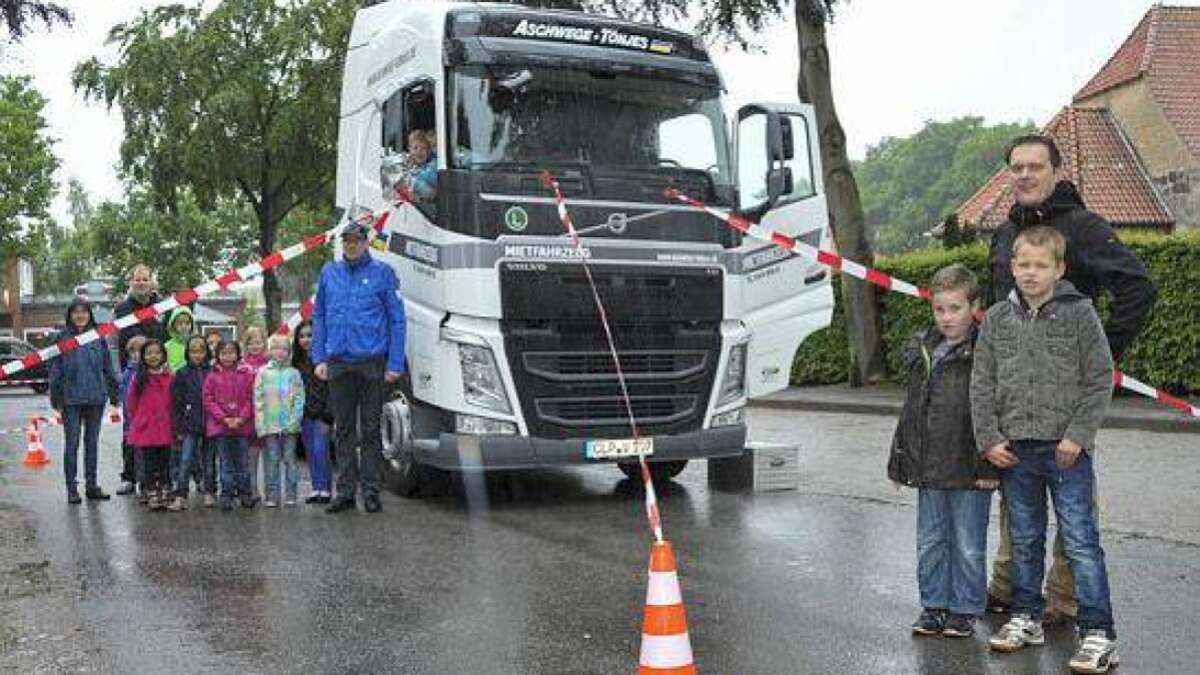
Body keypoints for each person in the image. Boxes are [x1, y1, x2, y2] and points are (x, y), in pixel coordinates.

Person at [985, 135, 1157, 624]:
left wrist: (1099, 354)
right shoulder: (1004, 235)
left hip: (1067, 398)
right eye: (1016, 166)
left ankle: (1064, 597)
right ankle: (1009, 587)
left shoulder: (1083, 228)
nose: (1024, 174)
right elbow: (999, 310)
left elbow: (1138, 289)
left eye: (1034, 166)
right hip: (1013, 393)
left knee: (1073, 502)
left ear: (1055, 171)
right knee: (1015, 495)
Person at [973, 226, 1118, 673]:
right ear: (1013, 267)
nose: (1031, 273)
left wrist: (1078, 435)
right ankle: (1025, 616)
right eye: (1024, 265)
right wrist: (990, 439)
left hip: (1066, 451)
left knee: (1080, 541)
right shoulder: (997, 318)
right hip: (1016, 451)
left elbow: (1099, 379)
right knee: (1024, 539)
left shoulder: (1080, 315)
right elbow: (982, 383)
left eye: (1041, 265)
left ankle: (1098, 633)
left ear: (1060, 269)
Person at [888, 264, 998, 639]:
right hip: (929, 468)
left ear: (974, 307)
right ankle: (934, 606)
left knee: (968, 543)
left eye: (955, 308)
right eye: (940, 309)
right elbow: (912, 410)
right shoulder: (922, 349)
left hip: (970, 468)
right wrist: (900, 460)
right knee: (931, 540)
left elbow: (992, 412)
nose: (947, 317)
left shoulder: (985, 349)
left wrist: (988, 465)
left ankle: (965, 609)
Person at [312, 220, 407, 514]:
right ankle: (345, 492)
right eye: (347, 241)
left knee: (369, 429)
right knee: (342, 430)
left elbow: (397, 320)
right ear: (343, 244)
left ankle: (371, 491)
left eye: (356, 240)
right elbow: (319, 317)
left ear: (366, 242)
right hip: (339, 363)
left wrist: (394, 362)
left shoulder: (383, 274)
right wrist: (319, 358)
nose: (351, 245)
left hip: (372, 363)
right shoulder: (329, 273)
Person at [48, 297, 120, 504]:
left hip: (96, 398)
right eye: (76, 312)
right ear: (70, 315)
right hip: (71, 400)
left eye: (84, 311)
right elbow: (54, 369)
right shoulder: (61, 338)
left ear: (90, 314)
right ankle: (72, 488)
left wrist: (114, 393)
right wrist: (56, 398)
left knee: (92, 444)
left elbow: (107, 366)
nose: (81, 315)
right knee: (72, 445)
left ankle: (91, 485)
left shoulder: (98, 337)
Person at [204, 340, 257, 511]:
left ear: (238, 354)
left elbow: (251, 398)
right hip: (221, 427)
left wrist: (241, 418)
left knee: (243, 462)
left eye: (231, 352)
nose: (228, 357)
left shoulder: (246, 374)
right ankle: (226, 494)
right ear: (217, 355)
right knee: (225, 463)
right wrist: (224, 418)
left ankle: (244, 493)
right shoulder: (212, 375)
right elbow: (208, 400)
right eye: (224, 353)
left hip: (242, 427)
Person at [254, 334, 305, 507]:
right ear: (270, 351)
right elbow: (258, 400)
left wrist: (295, 419)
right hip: (270, 425)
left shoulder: (294, 373)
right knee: (272, 460)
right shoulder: (263, 372)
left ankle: (291, 494)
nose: (280, 352)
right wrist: (260, 425)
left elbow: (299, 398)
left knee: (290, 459)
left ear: (289, 352)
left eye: (284, 349)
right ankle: (272, 495)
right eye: (276, 348)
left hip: (290, 425)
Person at [126, 340, 176, 511]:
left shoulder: (170, 377)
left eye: (156, 352)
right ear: (143, 357)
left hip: (165, 426)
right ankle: (150, 490)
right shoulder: (139, 378)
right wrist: (139, 420)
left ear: (163, 355)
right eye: (148, 353)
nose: (153, 356)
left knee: (164, 461)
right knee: (148, 463)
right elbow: (131, 403)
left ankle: (164, 488)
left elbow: (175, 400)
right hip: (146, 428)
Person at [293, 320, 334, 504]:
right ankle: (316, 487)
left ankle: (325, 488)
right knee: (310, 452)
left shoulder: (326, 360)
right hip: (304, 414)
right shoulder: (295, 363)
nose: (306, 339)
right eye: (302, 336)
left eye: (310, 335)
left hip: (322, 414)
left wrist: (329, 415)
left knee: (321, 450)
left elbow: (332, 390)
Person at [171, 335, 213, 510]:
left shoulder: (212, 372)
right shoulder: (181, 373)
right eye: (193, 350)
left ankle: (209, 492)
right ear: (187, 352)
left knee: (209, 461)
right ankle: (181, 495)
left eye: (201, 350)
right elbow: (176, 403)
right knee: (186, 459)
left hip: (211, 423)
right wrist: (178, 426)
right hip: (189, 424)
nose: (197, 354)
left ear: (207, 352)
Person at [114, 264, 168, 370]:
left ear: (151, 283)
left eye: (145, 279)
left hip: (160, 368)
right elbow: (125, 340)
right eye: (137, 280)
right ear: (131, 283)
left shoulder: (163, 306)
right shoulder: (122, 309)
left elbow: (167, 335)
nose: (141, 283)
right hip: (134, 369)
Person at [241, 326, 270, 499]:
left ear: (264, 343)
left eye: (258, 342)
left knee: (269, 455)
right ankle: (252, 488)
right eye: (250, 343)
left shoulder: (270, 363)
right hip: (248, 417)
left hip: (267, 416)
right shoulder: (242, 364)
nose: (255, 346)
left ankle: (270, 489)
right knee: (251, 455)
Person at [117, 334, 147, 498]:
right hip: (130, 422)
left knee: (145, 454)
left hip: (146, 421)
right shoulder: (126, 373)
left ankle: (146, 482)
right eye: (133, 351)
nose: (136, 354)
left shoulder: (149, 372)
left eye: (140, 351)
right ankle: (129, 479)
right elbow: (124, 396)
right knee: (129, 451)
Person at [164, 306, 197, 373]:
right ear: (173, 325)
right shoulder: (167, 346)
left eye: (187, 323)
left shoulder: (196, 344)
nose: (184, 326)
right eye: (180, 323)